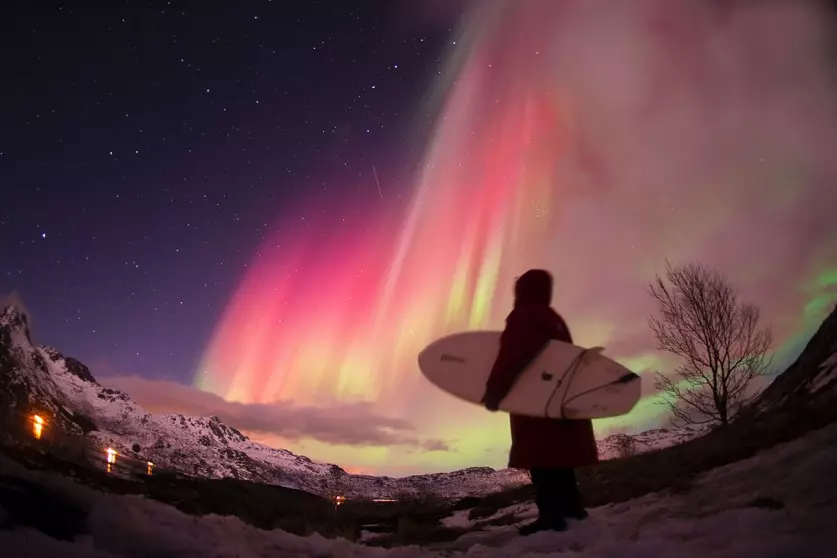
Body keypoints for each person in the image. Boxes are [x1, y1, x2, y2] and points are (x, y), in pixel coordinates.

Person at [481, 269, 599, 535]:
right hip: (561, 399)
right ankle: (572, 509)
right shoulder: (554, 319)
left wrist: (495, 392)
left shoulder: (523, 317)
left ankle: (551, 516)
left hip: (536, 402)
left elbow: (512, 356)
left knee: (541, 454)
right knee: (560, 455)